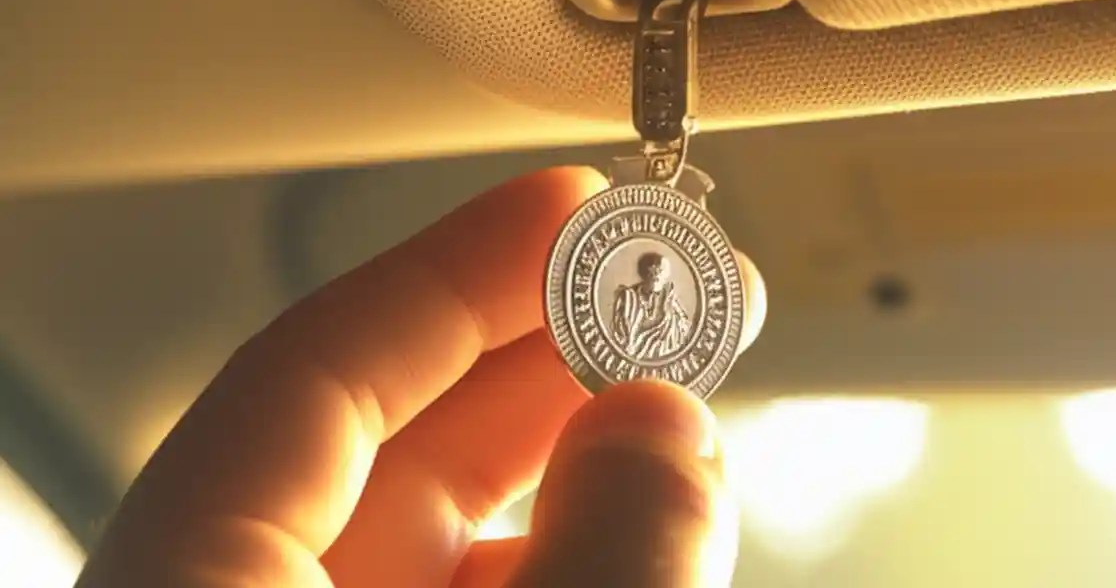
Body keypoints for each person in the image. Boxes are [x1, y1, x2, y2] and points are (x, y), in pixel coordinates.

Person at [75, 167, 766, 588]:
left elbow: (669, 328)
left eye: (652, 271)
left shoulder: (667, 307)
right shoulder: (619, 299)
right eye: (644, 268)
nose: (648, 275)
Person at [612, 252, 692, 361]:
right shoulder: (629, 297)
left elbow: (684, 323)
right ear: (645, 273)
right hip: (632, 352)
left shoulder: (670, 297)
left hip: (662, 351)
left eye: (661, 271)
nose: (656, 274)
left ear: (666, 275)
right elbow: (619, 327)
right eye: (653, 270)